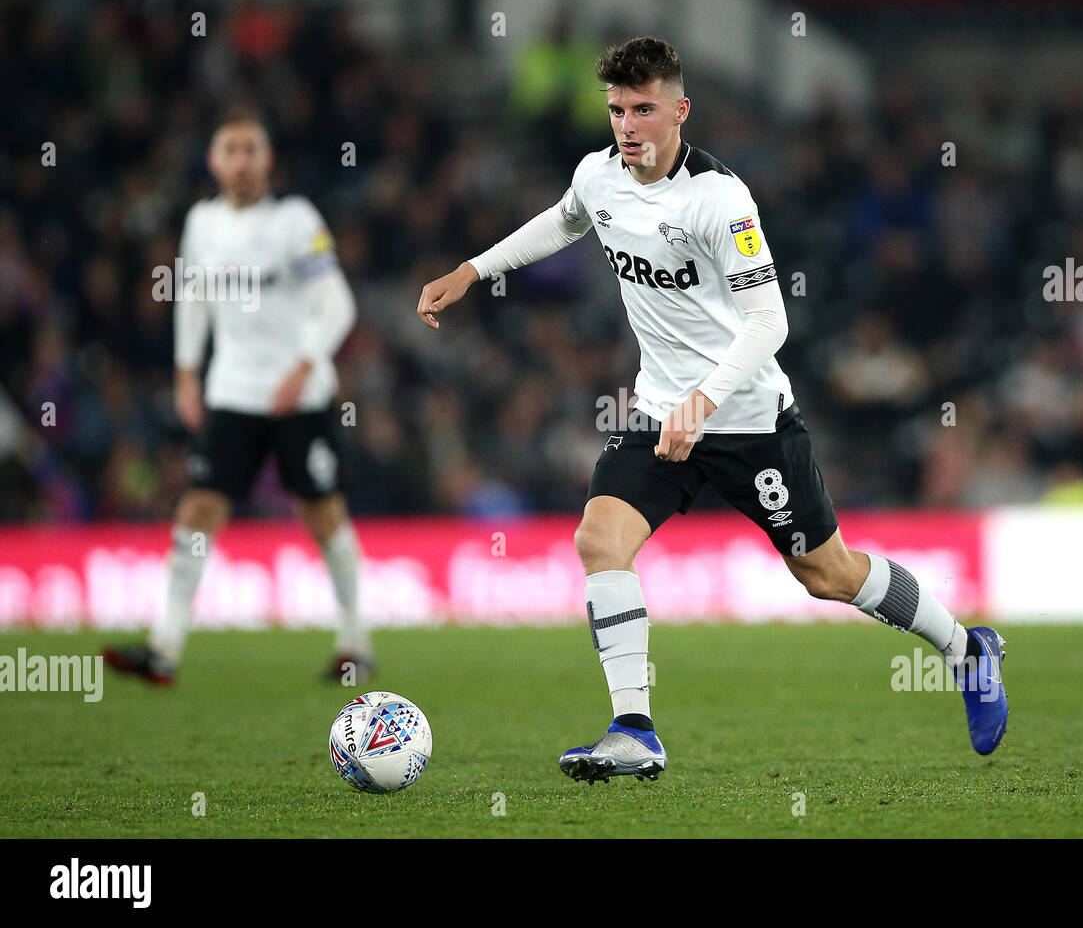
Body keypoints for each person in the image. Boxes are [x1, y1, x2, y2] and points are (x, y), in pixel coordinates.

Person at [416, 39, 1007, 782]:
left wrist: (706, 397)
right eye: (616, 110)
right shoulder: (598, 175)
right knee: (600, 541)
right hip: (661, 417)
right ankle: (633, 726)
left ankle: (964, 647)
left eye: (643, 109)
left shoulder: (720, 199)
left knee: (827, 573)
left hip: (749, 420)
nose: (627, 126)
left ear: (679, 110)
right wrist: (473, 270)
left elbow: (770, 323)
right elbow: (564, 220)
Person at [103, 110, 370, 686]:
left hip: (300, 396)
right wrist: (184, 374)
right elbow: (193, 300)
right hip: (232, 392)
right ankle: (164, 648)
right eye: (231, 150)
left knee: (321, 513)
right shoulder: (202, 223)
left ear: (267, 160)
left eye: (252, 149)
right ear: (213, 161)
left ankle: (355, 640)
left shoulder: (297, 221)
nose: (242, 161)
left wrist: (305, 365)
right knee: (199, 507)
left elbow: (338, 304)